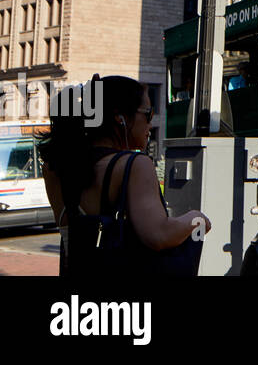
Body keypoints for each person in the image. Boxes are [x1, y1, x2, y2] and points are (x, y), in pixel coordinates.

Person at [38, 75, 211, 275]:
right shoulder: (134, 165)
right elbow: (158, 235)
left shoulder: (55, 169)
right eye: (148, 114)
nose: (151, 123)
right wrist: (195, 217)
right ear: (119, 117)